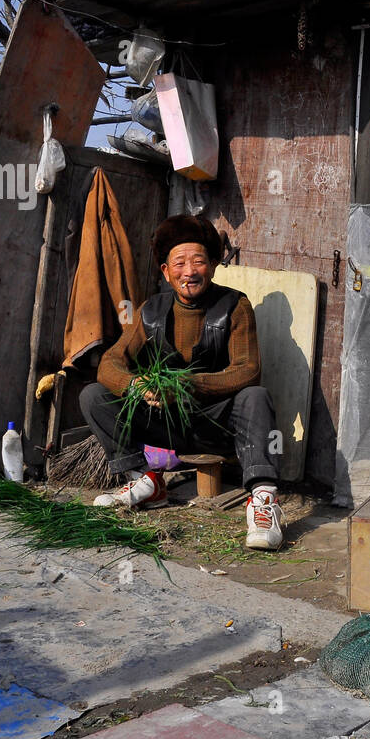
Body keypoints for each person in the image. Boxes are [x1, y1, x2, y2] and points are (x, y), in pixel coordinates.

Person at [80, 215, 284, 550]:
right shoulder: (151, 310)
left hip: (216, 426)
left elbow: (247, 369)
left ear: (214, 266)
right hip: (166, 425)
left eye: (199, 261)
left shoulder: (235, 305)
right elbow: (110, 363)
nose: (189, 271)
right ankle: (146, 482)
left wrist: (187, 385)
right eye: (179, 263)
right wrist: (137, 386)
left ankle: (263, 502)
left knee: (255, 395)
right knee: (94, 395)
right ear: (165, 271)